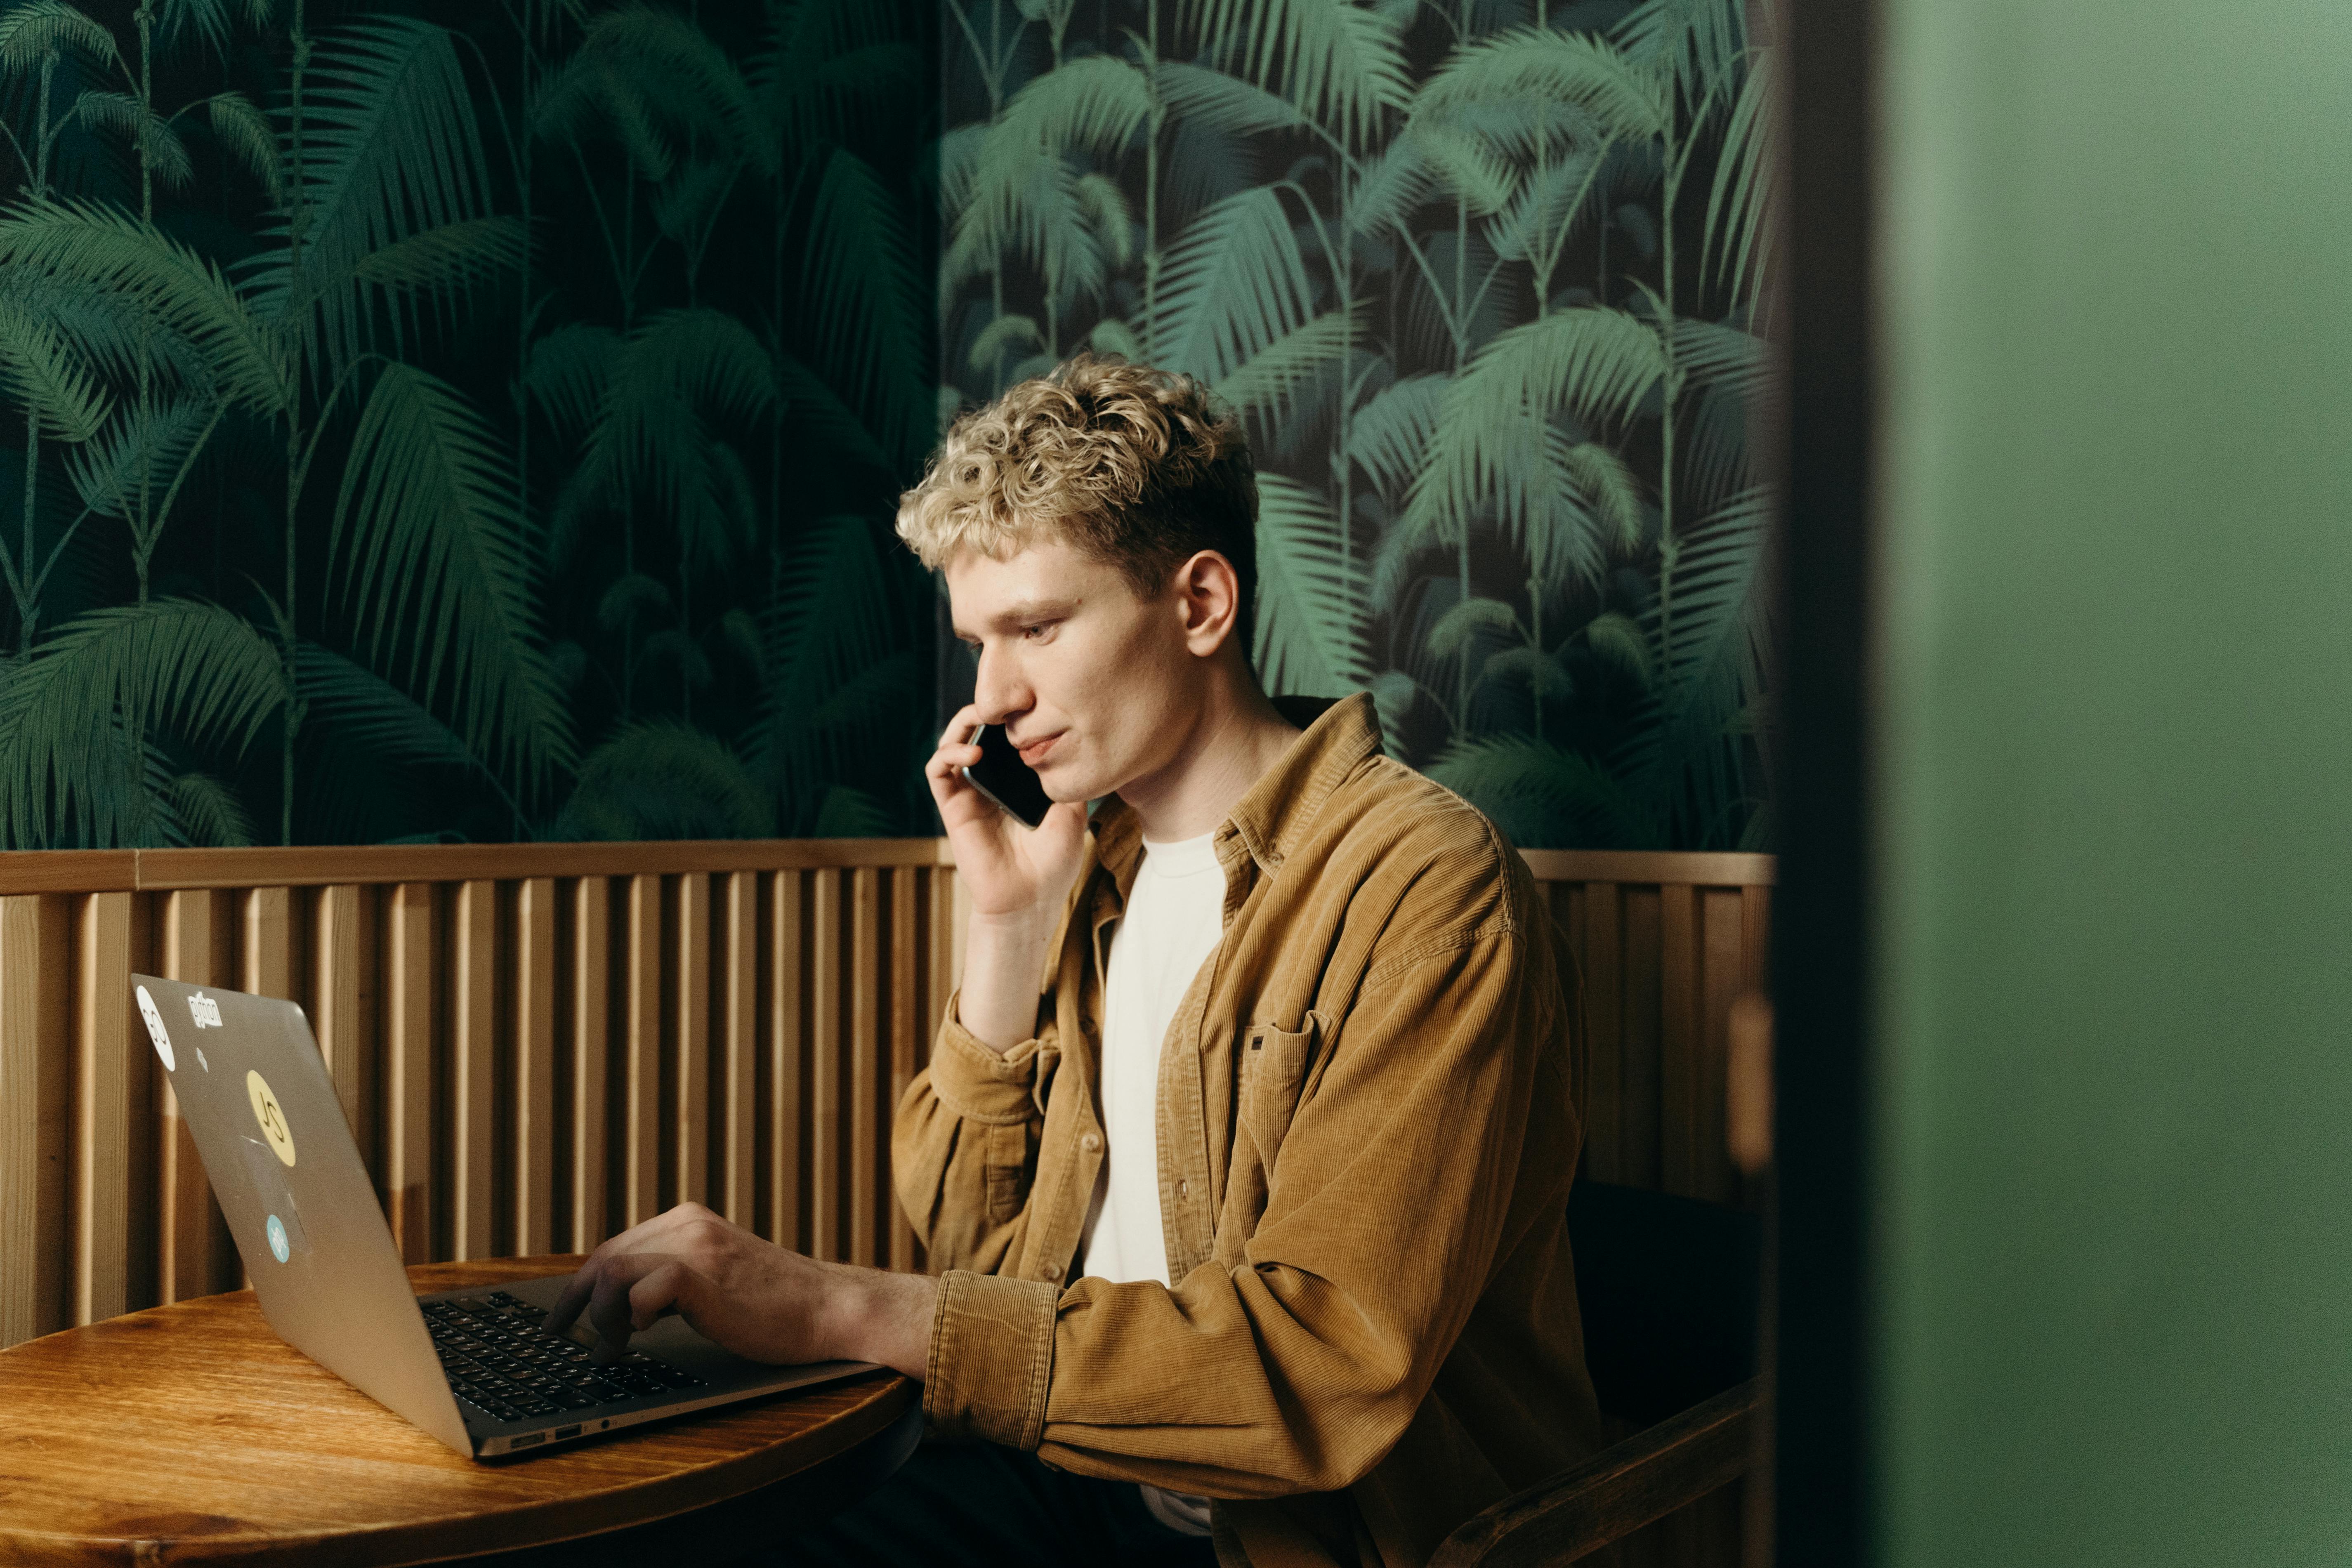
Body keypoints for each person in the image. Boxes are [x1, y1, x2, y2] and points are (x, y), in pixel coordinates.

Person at [546, 356, 1601, 1567]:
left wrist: (834, 1304)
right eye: (977, 641)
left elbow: (1317, 1373)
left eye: (1037, 626)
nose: (993, 699)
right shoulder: (1087, 863)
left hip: (1287, 1542)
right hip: (1059, 1478)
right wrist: (1004, 929)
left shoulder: (1423, 886)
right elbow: (972, 1250)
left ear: (1201, 604)